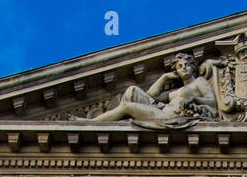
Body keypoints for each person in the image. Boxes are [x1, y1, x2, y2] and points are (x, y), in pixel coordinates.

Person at [85, 53, 218, 126]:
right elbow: (150, 96)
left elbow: (212, 101)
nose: (183, 68)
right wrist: (164, 77)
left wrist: (194, 98)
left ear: (193, 67)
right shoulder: (176, 91)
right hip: (162, 110)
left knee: (126, 106)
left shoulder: (199, 81)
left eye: (186, 65)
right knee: (133, 90)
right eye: (179, 66)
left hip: (172, 116)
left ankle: (91, 123)